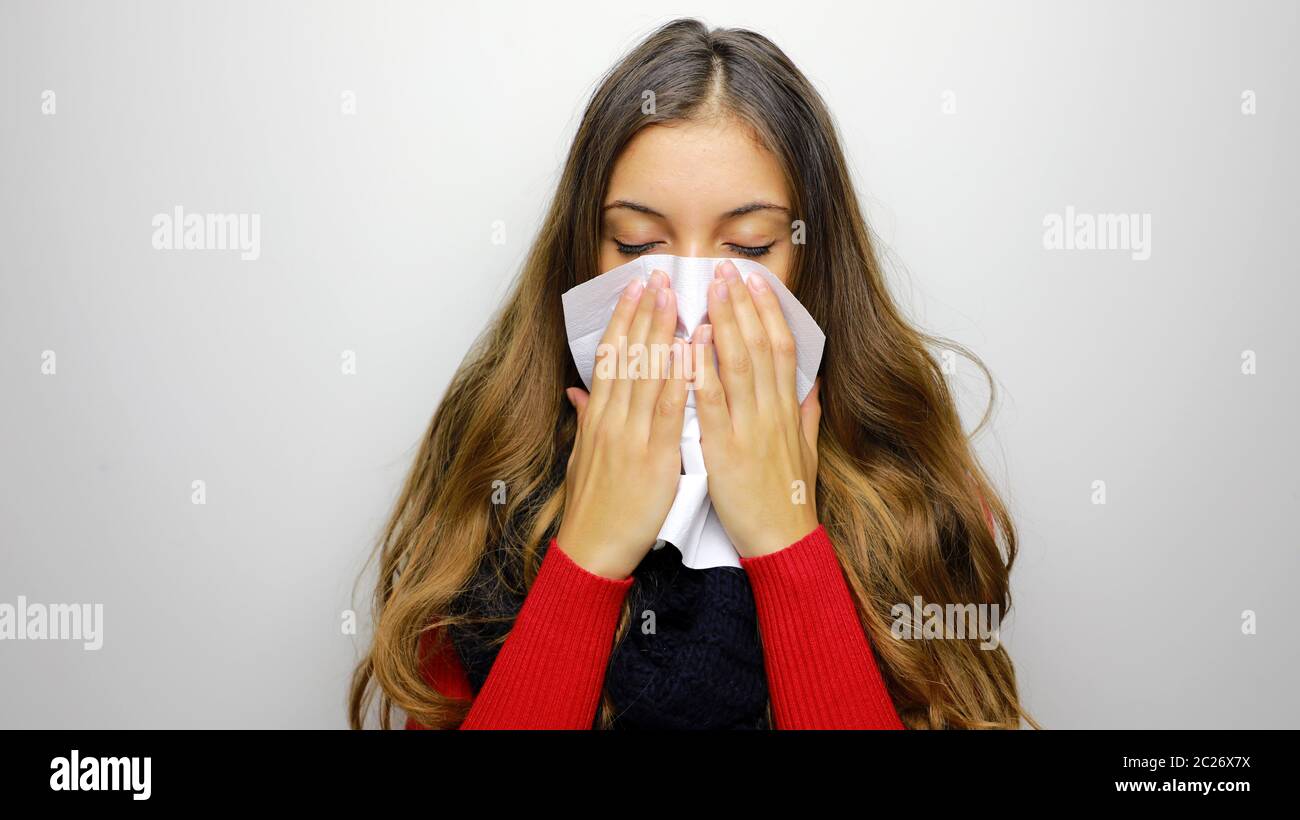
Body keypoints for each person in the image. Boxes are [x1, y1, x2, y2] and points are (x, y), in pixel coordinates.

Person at [349, 18, 1031, 730]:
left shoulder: (912, 496)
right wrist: (588, 555)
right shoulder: (488, 468)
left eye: (749, 246)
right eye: (638, 244)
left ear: (814, 258)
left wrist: (784, 539)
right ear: (584, 248)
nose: (691, 298)